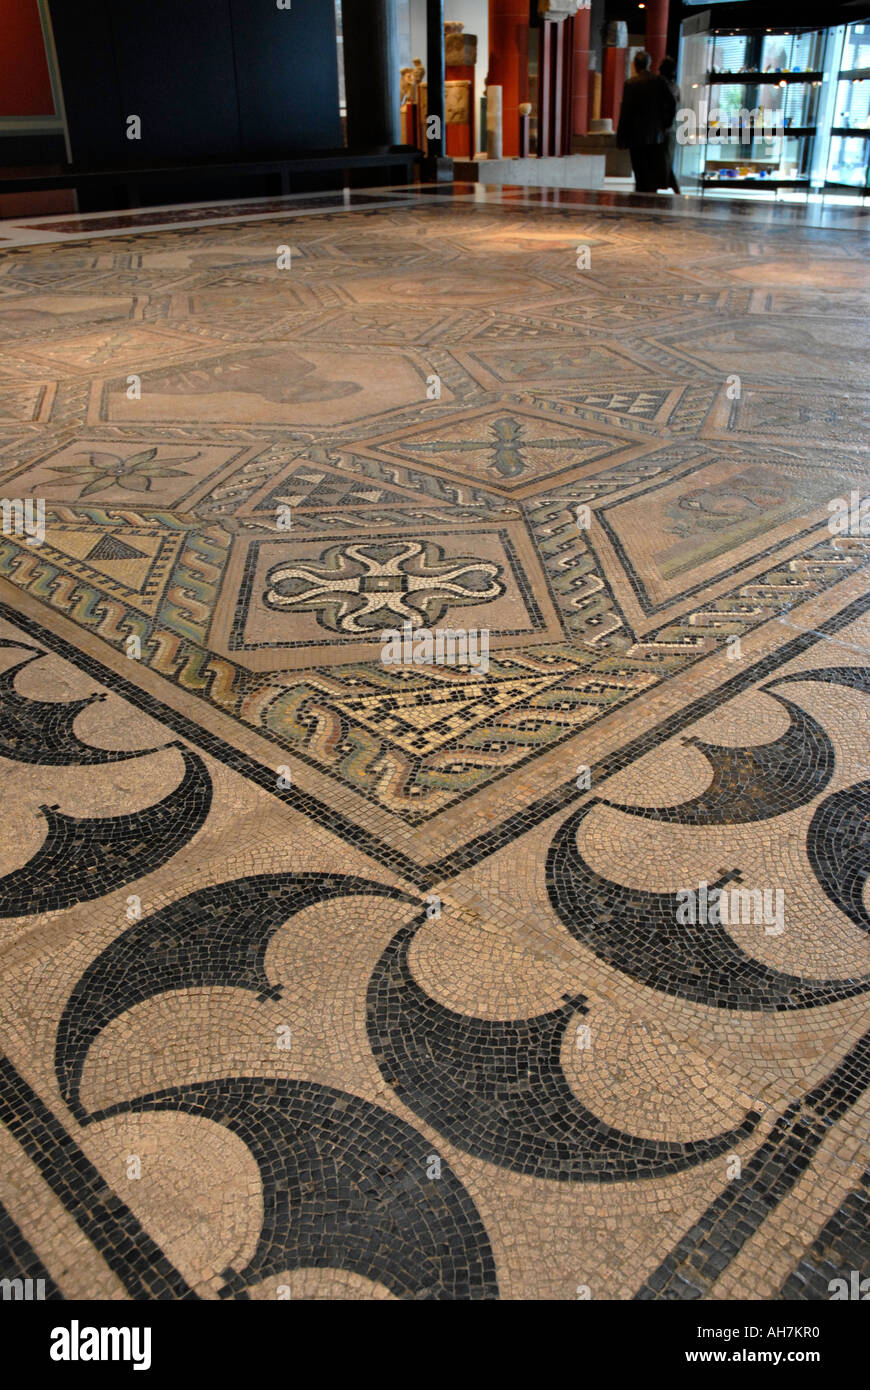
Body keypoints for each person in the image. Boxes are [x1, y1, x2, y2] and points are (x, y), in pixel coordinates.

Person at [616, 50, 677, 193]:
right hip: (655, 136)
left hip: (636, 136)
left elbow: (625, 112)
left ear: (635, 65)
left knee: (639, 172)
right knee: (652, 170)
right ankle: (650, 197)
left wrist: (621, 136)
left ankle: (640, 197)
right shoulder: (659, 81)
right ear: (649, 64)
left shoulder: (630, 84)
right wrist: (665, 124)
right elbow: (671, 103)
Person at [658, 55, 681, 193]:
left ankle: (669, 184)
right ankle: (670, 184)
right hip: (671, 128)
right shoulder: (674, 87)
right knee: (667, 160)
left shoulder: (666, 86)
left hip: (666, 129)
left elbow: (672, 106)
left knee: (665, 160)